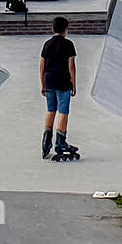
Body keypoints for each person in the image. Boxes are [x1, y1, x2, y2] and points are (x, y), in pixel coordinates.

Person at [39, 15, 77, 159]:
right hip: (63, 82)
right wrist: (74, 83)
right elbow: (71, 66)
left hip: (49, 82)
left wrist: (43, 84)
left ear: (53, 28)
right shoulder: (69, 44)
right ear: (65, 30)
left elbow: (42, 66)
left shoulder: (47, 44)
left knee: (50, 110)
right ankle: (60, 142)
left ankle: (46, 141)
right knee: (63, 112)